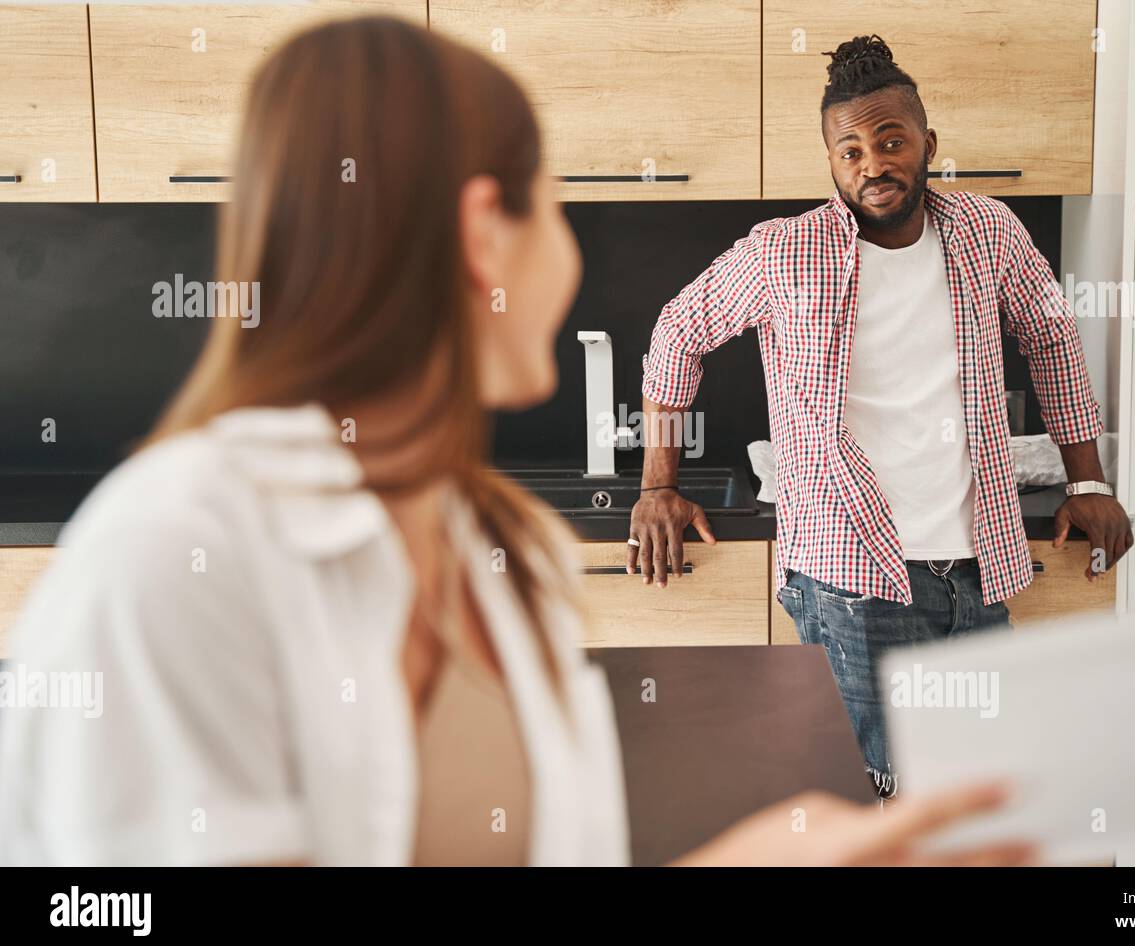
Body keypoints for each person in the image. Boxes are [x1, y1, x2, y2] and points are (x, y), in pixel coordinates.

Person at [0, 18, 1033, 866]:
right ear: (484, 229)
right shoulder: (171, 554)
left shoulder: (504, 554)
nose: (571, 244)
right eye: (552, 202)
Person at [630, 34, 1134, 799]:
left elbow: (1054, 338)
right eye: (851, 150)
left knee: (974, 799)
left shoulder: (988, 232)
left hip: (980, 568)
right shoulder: (783, 253)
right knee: (884, 804)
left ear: (928, 142)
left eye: (890, 140)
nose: (873, 164)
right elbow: (676, 333)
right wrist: (655, 485)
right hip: (850, 582)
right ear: (831, 161)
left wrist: (1089, 483)